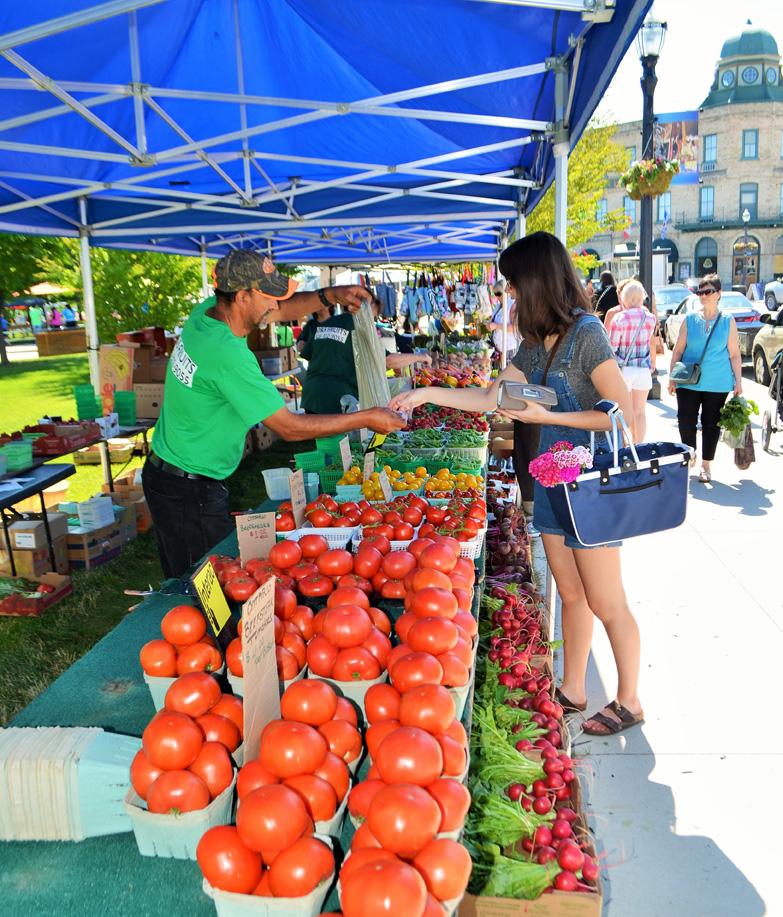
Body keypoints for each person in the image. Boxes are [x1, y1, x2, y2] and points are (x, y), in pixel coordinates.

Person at [390, 231, 643, 737]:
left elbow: (622, 422)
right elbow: (489, 398)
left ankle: (630, 700)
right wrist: (425, 393)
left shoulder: (586, 333)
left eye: (513, 285)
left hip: (591, 486)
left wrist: (544, 414)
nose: (509, 295)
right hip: (553, 481)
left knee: (605, 599)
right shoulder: (534, 343)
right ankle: (573, 688)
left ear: (536, 282)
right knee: (569, 592)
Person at [142, 250, 404, 579]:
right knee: (204, 586)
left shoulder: (205, 315)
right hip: (187, 488)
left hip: (173, 471)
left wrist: (331, 295)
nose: (273, 305)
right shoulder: (227, 354)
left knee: (201, 576)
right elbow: (289, 427)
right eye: (267, 296)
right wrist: (366, 417)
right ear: (241, 296)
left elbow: (282, 308)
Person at [668, 273, 742, 483]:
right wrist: (672, 377)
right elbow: (678, 351)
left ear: (719, 294)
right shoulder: (690, 319)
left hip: (718, 383)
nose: (703, 296)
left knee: (712, 424)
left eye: (708, 291)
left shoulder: (728, 321)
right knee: (685, 421)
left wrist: (738, 381)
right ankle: (691, 456)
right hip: (688, 381)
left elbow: (734, 354)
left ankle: (706, 465)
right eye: (700, 292)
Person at [300, 296, 431, 415]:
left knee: (318, 440)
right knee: (338, 440)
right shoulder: (359, 326)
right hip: (338, 399)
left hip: (312, 395)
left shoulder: (326, 323)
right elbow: (388, 361)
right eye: (373, 313)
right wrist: (421, 357)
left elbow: (307, 353)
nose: (372, 320)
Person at [607, 279, 657, 443]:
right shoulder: (650, 318)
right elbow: (649, 341)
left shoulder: (619, 318)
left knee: (622, 410)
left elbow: (612, 347)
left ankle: (624, 445)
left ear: (624, 298)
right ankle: (639, 444)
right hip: (643, 368)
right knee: (640, 411)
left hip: (625, 369)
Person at [488, 280, 519, 365]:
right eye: (495, 294)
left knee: (507, 377)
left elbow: (515, 328)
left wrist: (496, 326)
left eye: (499, 294)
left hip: (508, 349)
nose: (497, 297)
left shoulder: (512, 305)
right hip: (499, 349)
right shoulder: (498, 305)